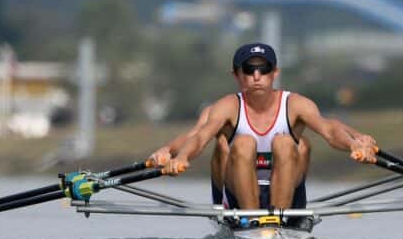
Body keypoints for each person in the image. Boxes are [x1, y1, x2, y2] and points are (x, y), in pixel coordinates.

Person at [148, 42, 378, 211]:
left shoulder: (296, 104)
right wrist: (178, 156)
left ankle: (280, 216)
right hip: (238, 191)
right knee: (243, 143)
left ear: (275, 73)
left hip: (286, 188)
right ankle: (250, 217)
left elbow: (329, 128)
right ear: (237, 75)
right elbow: (198, 137)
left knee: (288, 142)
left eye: (264, 69)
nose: (257, 76)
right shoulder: (226, 107)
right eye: (248, 69)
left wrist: (353, 144)